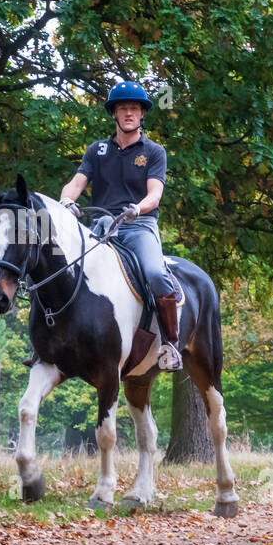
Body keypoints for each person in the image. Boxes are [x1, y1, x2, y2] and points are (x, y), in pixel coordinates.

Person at [58, 81, 183, 369]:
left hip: (138, 226)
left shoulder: (154, 151)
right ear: (114, 113)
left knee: (154, 272)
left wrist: (137, 208)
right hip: (100, 228)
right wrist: (66, 202)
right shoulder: (96, 150)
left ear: (142, 115)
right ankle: (50, 345)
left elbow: (155, 194)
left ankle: (170, 345)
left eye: (135, 108)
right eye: (123, 108)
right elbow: (76, 183)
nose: (129, 113)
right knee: (59, 267)